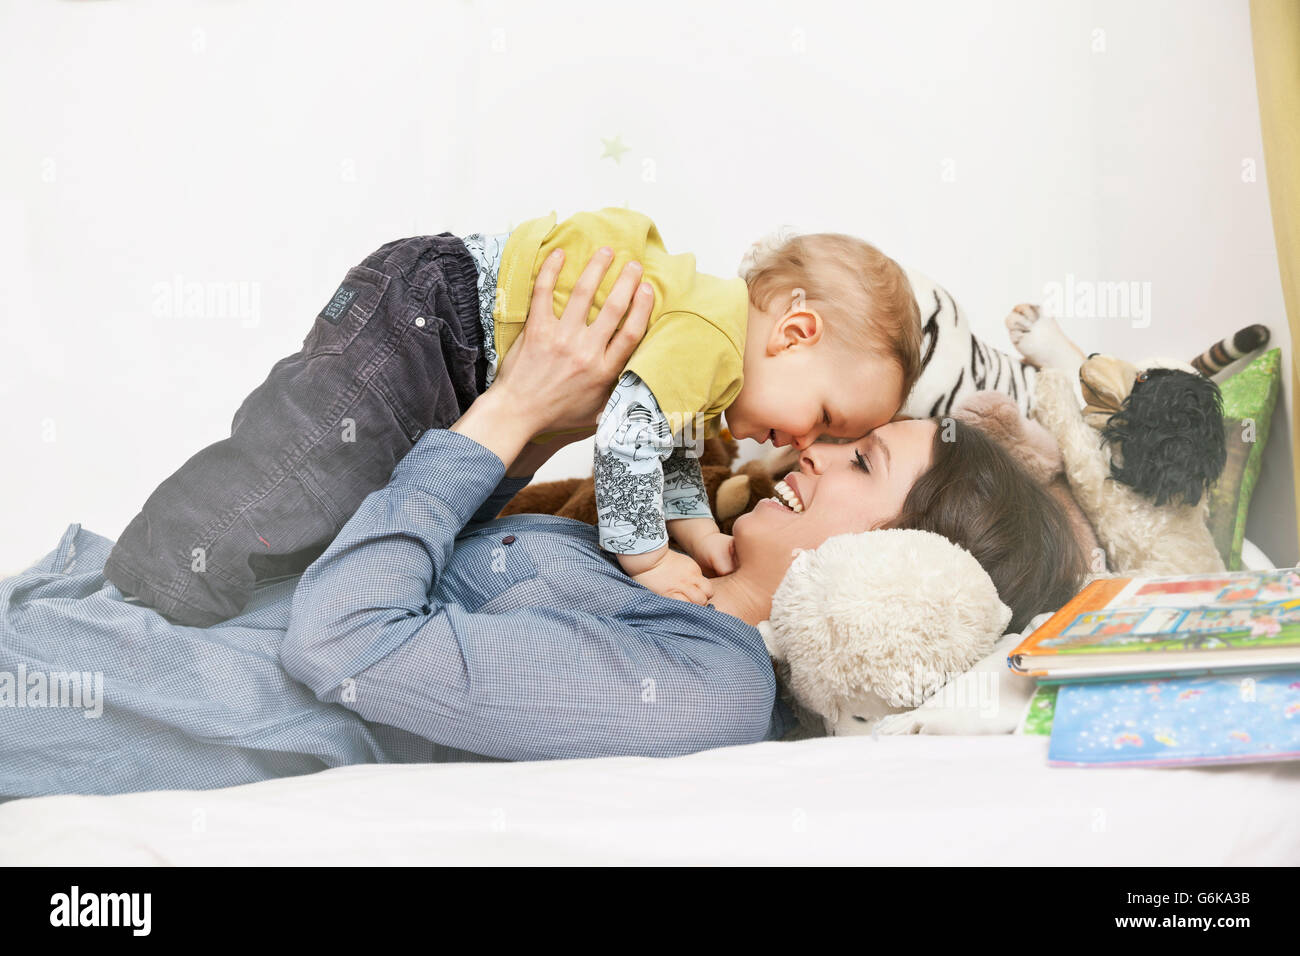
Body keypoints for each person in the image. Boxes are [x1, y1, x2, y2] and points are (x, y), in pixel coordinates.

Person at [0, 250, 1083, 799]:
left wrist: (508, 407)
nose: (810, 450)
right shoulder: (673, 561)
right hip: (86, 620)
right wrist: (536, 426)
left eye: (859, 458)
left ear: (898, 568)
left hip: (127, 698)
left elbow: (346, 640)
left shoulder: (706, 682)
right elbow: (416, 555)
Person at [104, 210, 924, 625]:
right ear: (794, 331)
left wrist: (703, 538)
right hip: (438, 314)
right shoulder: (712, 333)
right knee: (301, 465)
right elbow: (634, 439)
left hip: (445, 335)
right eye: (824, 418)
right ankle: (154, 580)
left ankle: (202, 590)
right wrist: (646, 563)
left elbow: (668, 457)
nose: (803, 445)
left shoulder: (706, 372)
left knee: (341, 492)